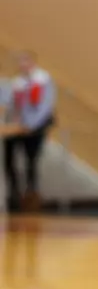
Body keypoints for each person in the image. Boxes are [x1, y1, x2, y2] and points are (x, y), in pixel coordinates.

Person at [2, 50, 56, 212]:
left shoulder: (43, 81)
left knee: (30, 161)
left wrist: (30, 125)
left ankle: (31, 197)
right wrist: (13, 123)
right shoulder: (17, 83)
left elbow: (44, 107)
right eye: (20, 62)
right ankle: (14, 195)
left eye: (25, 61)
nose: (21, 65)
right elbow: (11, 104)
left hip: (34, 127)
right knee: (9, 159)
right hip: (16, 126)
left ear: (32, 62)